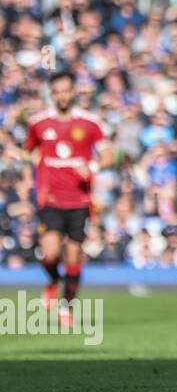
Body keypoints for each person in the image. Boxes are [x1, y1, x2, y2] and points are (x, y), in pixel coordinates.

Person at [23, 72, 112, 327]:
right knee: (50, 254)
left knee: (73, 257)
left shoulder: (90, 123)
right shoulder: (39, 123)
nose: (62, 95)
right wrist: (28, 176)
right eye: (57, 91)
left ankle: (67, 308)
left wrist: (92, 167)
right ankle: (52, 281)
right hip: (50, 200)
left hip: (80, 202)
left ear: (74, 92)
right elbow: (28, 152)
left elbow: (108, 154)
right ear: (52, 94)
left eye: (66, 90)